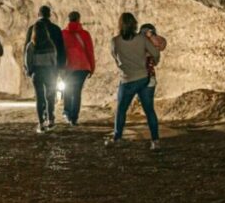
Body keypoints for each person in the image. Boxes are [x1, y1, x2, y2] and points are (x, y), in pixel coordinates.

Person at [107, 13, 161, 150]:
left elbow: (115, 57)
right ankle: (155, 142)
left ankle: (117, 138)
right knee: (149, 111)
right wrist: (154, 60)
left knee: (121, 110)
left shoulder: (115, 41)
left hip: (127, 80)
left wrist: (124, 66)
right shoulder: (142, 39)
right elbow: (155, 53)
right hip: (144, 78)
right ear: (135, 24)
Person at [61, 11, 95, 126]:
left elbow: (60, 53)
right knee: (76, 92)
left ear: (69, 19)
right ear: (79, 19)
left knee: (67, 89)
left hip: (68, 67)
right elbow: (90, 51)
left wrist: (59, 67)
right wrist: (92, 67)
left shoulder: (63, 34)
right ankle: (74, 118)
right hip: (82, 66)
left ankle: (67, 112)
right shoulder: (85, 34)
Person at [24, 21, 58, 133]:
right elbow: (54, 60)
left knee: (40, 98)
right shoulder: (50, 44)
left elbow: (28, 61)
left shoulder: (31, 45)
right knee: (50, 97)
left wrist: (29, 71)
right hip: (49, 72)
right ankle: (51, 120)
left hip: (37, 73)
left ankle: (41, 123)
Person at [25, 5, 66, 71]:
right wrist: (61, 65)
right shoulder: (56, 29)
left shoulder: (32, 29)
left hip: (36, 68)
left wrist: (27, 68)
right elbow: (61, 48)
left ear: (38, 14)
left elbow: (27, 49)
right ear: (49, 15)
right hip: (53, 67)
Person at [139, 23, 167, 88]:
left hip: (148, 75)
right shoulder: (139, 40)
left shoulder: (155, 40)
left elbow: (162, 45)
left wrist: (152, 37)